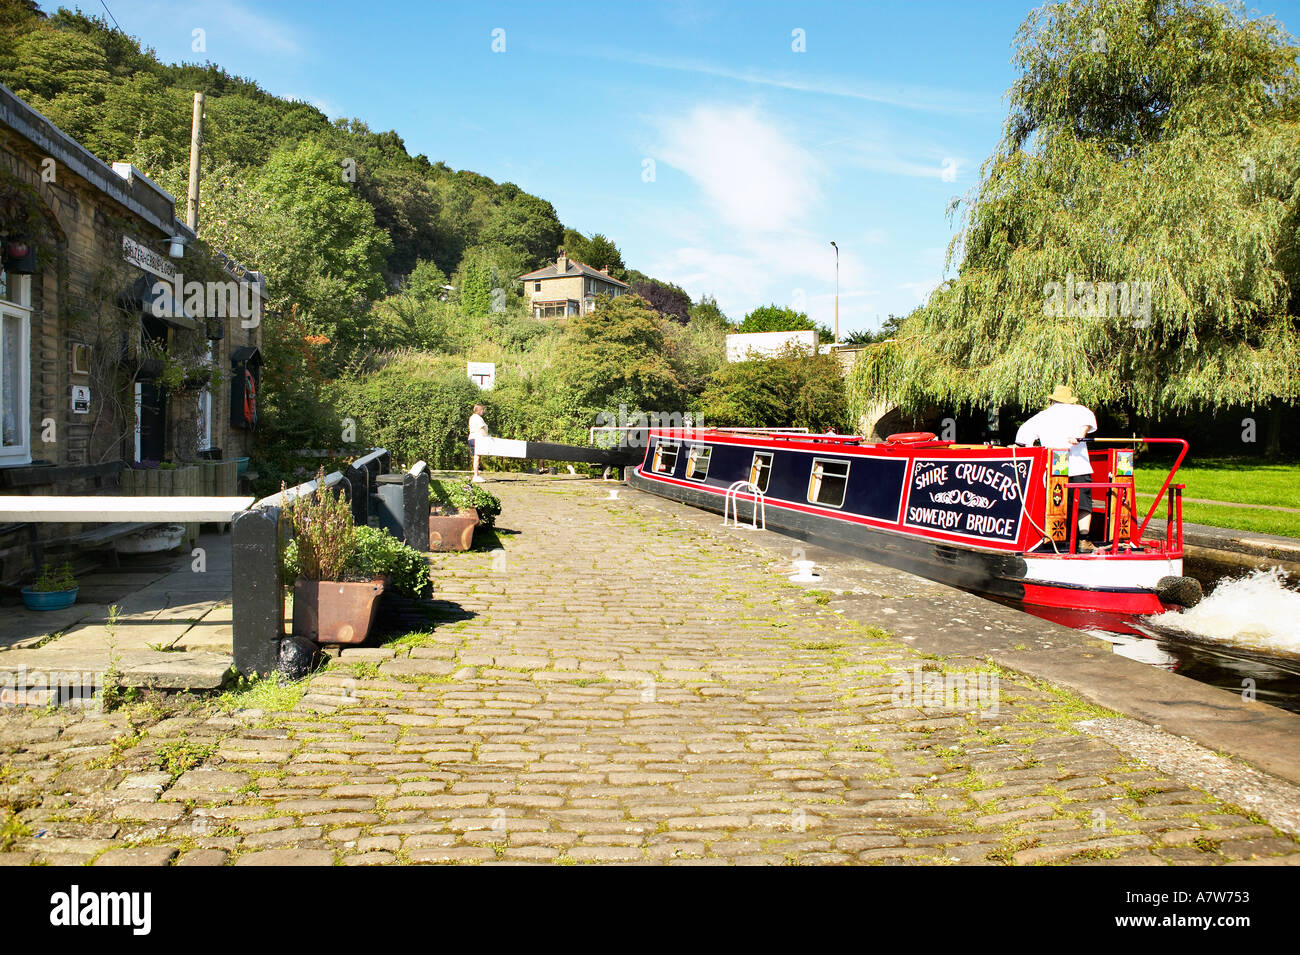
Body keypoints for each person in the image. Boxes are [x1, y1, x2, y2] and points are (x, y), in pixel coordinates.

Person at [1014, 385, 1098, 550]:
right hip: (1078, 465)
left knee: (1054, 503)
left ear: (1052, 400)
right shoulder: (1081, 410)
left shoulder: (1042, 416)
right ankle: (1084, 539)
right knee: (1083, 503)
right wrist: (1080, 436)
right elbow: (1087, 424)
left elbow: (1022, 440)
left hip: (1053, 467)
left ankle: (1053, 539)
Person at [468, 404, 489, 483]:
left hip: (472, 438)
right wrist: (487, 438)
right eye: (482, 410)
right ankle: (476, 476)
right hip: (477, 439)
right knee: (477, 456)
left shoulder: (472, 417)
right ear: (479, 410)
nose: (483, 411)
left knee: (476, 456)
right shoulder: (478, 418)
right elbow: (482, 429)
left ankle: (476, 473)